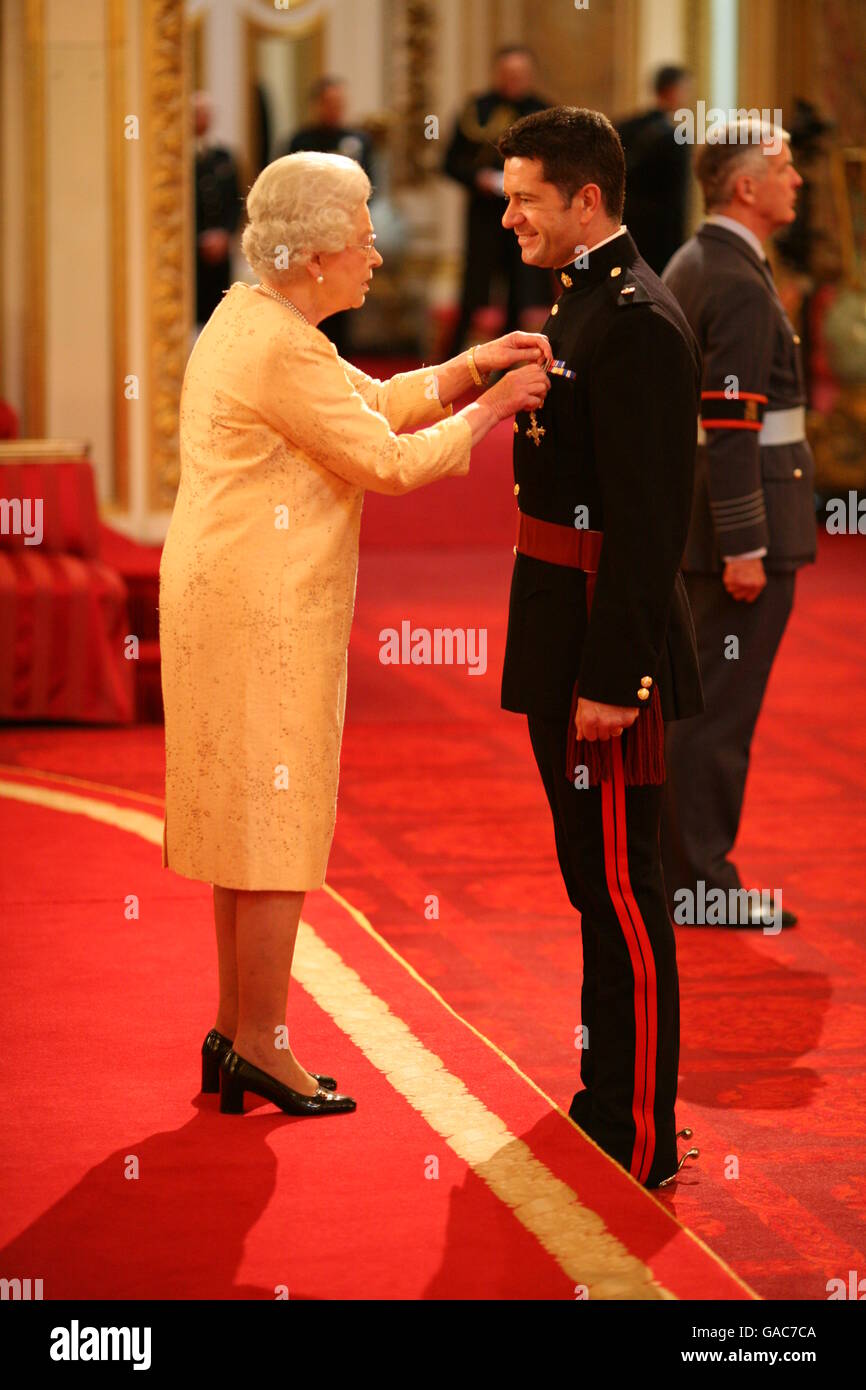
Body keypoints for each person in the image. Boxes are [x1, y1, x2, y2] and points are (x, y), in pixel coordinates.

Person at [158, 152, 551, 1121]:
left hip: (226, 594)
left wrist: (466, 367)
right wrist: (496, 407)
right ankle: (262, 1041)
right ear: (311, 252)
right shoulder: (279, 344)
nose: (377, 252)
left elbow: (363, 403)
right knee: (276, 829)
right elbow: (384, 458)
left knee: (240, 823)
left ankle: (234, 1028)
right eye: (363, 233)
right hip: (263, 610)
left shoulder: (251, 317)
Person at [497, 106, 703, 1189]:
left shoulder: (634, 320)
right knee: (592, 880)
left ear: (586, 200)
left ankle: (640, 1131)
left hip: (598, 646)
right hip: (557, 627)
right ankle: (601, 1091)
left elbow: (647, 518)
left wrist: (613, 679)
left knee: (624, 891)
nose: (507, 214)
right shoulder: (580, 301)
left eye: (525, 196)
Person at [660, 120, 817, 929]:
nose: (799, 181)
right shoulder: (740, 282)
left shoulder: (701, 261)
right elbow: (730, 427)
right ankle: (701, 884)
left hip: (704, 522)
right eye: (784, 169)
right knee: (721, 715)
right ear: (745, 188)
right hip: (738, 528)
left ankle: (681, 873)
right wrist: (748, 545)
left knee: (701, 708)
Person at [443, 46, 551, 355]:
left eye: (520, 74)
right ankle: (452, 359)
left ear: (530, 76)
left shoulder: (543, 112)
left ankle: (504, 366)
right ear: (497, 74)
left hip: (526, 217)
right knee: (473, 290)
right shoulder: (476, 109)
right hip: (484, 216)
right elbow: (450, 162)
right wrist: (478, 178)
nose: (513, 80)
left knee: (520, 290)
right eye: (508, 74)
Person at [278, 76, 373, 355]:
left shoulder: (357, 140)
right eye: (329, 103)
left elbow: (369, 184)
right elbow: (288, 188)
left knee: (343, 296)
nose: (335, 109)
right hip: (308, 238)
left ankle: (340, 359)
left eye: (339, 104)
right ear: (317, 105)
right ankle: (304, 355)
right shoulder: (299, 140)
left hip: (346, 238)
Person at [616, 65, 692, 274]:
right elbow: (677, 202)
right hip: (661, 238)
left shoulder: (626, 127)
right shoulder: (676, 137)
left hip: (624, 229)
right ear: (673, 91)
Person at [193, 92, 242, 327]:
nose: (202, 118)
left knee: (219, 313)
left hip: (221, 251)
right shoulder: (177, 158)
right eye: (197, 113)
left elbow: (235, 202)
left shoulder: (224, 157)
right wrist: (199, 238)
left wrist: (224, 235)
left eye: (206, 113)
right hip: (191, 253)